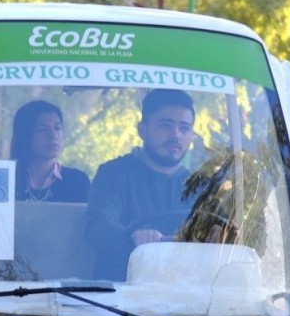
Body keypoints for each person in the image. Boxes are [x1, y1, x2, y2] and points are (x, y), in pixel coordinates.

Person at [85, 89, 202, 280]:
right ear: (143, 131)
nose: (176, 135)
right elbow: (97, 228)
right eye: (165, 125)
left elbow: (221, 232)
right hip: (119, 298)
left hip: (186, 297)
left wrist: (222, 235)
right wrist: (132, 237)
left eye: (184, 128)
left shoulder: (200, 186)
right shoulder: (113, 173)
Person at [10, 100, 90, 203]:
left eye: (57, 128)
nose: (53, 136)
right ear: (25, 135)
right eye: (42, 129)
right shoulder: (7, 180)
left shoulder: (77, 181)